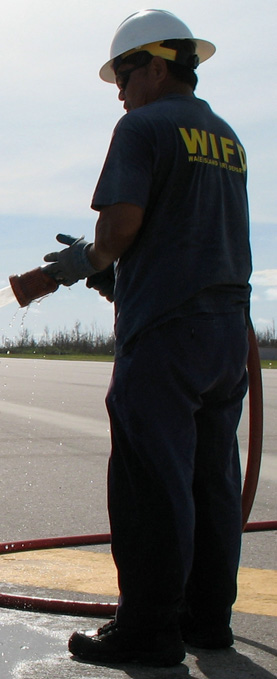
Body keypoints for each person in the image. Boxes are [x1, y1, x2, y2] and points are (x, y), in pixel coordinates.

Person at [40, 9, 252, 667]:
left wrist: (86, 260)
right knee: (208, 480)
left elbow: (122, 226)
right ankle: (204, 620)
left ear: (156, 66)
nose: (118, 89)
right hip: (222, 339)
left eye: (125, 74)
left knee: (147, 482)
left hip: (161, 338)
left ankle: (148, 629)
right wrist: (116, 277)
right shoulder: (224, 136)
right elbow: (184, 237)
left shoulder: (142, 126)